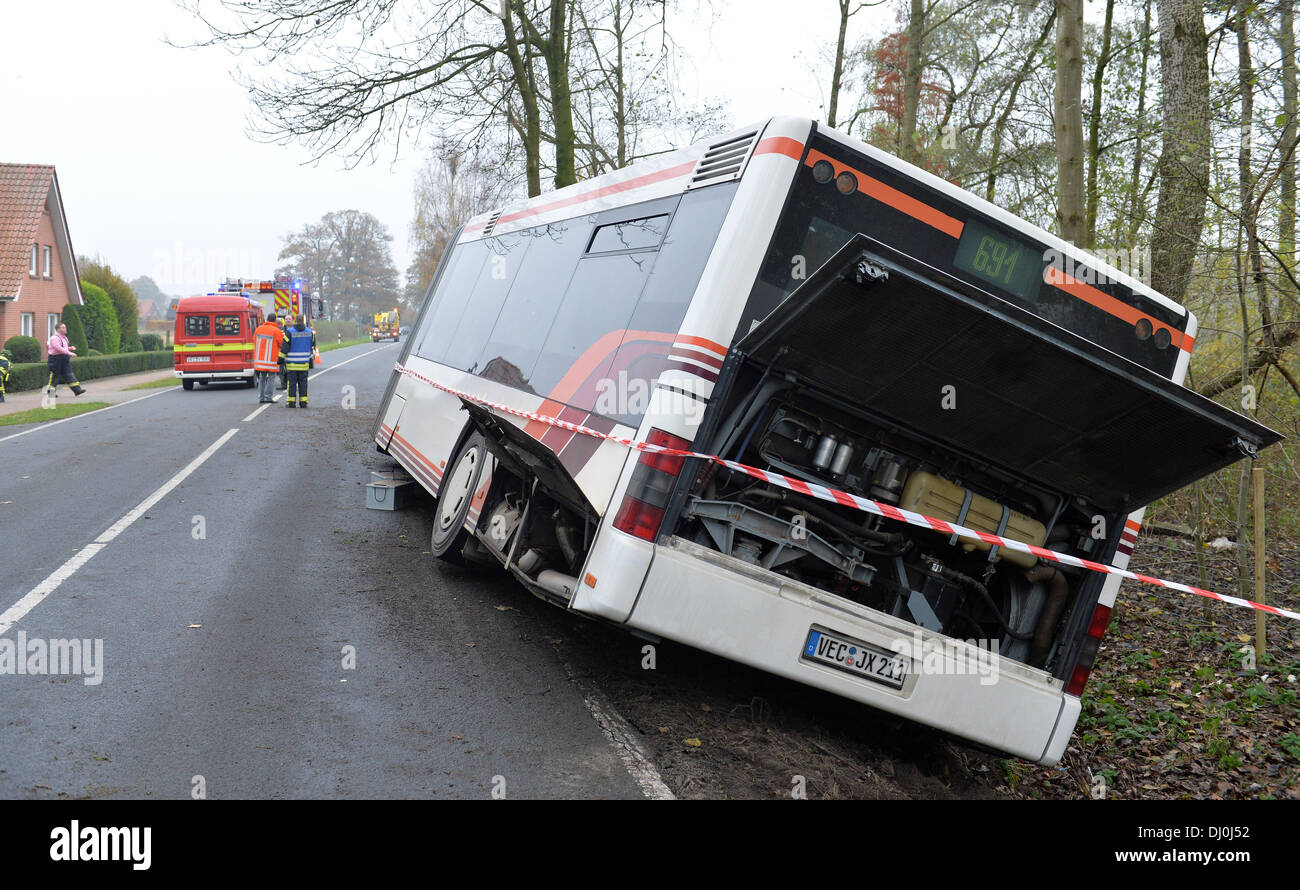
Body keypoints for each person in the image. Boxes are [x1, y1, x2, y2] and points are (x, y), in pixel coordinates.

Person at [282, 313, 316, 408]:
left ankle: (291, 402)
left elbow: (285, 347)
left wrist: (280, 359)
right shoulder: (310, 332)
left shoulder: (290, 332)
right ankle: (303, 402)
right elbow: (313, 345)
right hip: (304, 363)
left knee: (292, 383)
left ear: (295, 321)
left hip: (292, 364)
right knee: (303, 383)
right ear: (303, 321)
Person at [46, 323, 85, 398]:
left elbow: (63, 348)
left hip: (64, 358)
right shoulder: (55, 338)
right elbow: (58, 348)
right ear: (58, 329)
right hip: (55, 359)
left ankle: (77, 390)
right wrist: (70, 353)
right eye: (63, 327)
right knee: (54, 376)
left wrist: (70, 348)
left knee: (69, 374)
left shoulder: (65, 338)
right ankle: (51, 393)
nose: (65, 329)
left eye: (65, 327)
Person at [252, 311, 283, 404]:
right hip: (271, 360)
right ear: (274, 320)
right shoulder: (276, 330)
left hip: (260, 360)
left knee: (262, 377)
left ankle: (261, 397)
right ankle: (268, 397)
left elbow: (254, 340)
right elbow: (281, 343)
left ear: (267, 319)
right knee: (271, 377)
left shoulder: (258, 329)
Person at [275, 315, 288, 390]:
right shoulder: (285, 330)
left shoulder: (278, 331)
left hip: (279, 353)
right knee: (285, 369)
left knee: (281, 370)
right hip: (285, 352)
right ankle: (285, 383)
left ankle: (283, 384)